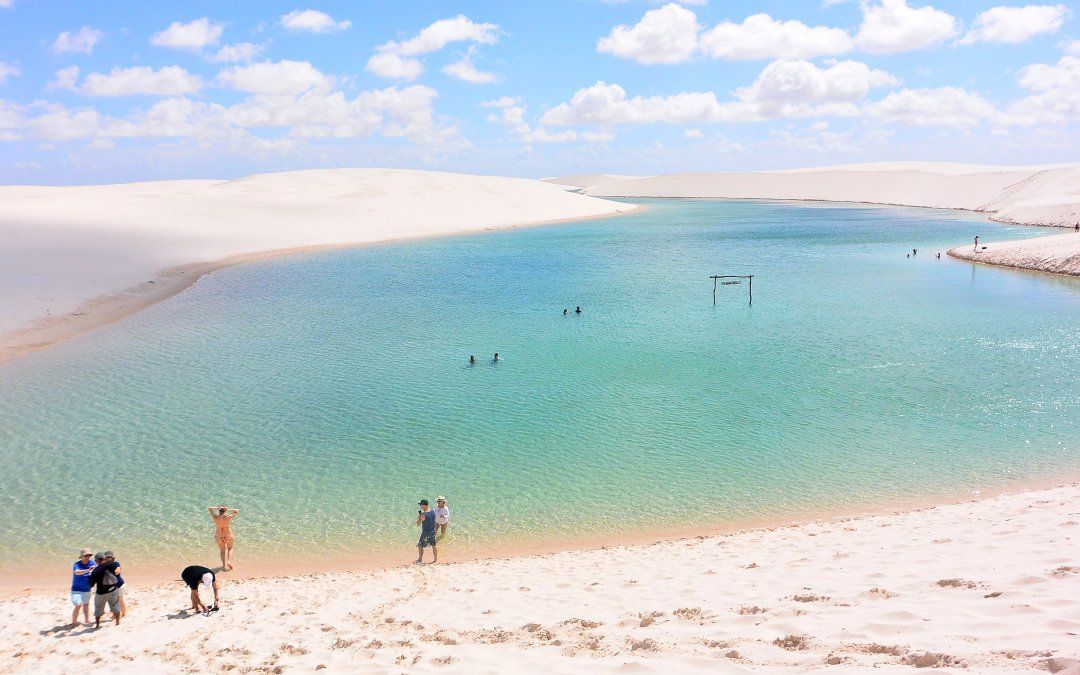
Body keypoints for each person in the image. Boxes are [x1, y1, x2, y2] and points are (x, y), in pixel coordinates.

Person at [88, 551, 122, 628]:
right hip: (113, 590)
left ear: (96, 561)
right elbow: (116, 571)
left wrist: (90, 573)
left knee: (98, 609)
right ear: (105, 558)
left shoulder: (95, 571)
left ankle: (97, 625)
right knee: (115, 606)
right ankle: (117, 622)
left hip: (101, 593)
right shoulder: (112, 564)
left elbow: (91, 585)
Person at [70, 548, 96, 626]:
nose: (87, 557)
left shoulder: (92, 563)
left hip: (87, 589)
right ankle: (74, 622)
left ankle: (87, 621)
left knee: (86, 605)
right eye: (85, 555)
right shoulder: (77, 564)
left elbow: (97, 569)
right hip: (76, 589)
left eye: (89, 555)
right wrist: (88, 570)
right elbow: (77, 572)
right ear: (81, 557)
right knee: (78, 605)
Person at [208, 506, 239, 571]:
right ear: (225, 511)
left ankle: (224, 566)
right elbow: (237, 511)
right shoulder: (228, 517)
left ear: (219, 510)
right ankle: (229, 562)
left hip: (219, 535)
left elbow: (209, 508)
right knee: (230, 548)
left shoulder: (215, 517)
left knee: (222, 550)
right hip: (228, 534)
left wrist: (217, 508)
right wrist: (229, 509)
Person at [416, 499, 438, 565]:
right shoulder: (433, 511)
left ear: (424, 505)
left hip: (426, 532)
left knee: (420, 545)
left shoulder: (424, 514)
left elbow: (418, 524)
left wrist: (419, 519)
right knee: (434, 545)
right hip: (433, 531)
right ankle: (435, 559)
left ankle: (420, 559)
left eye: (421, 505)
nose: (420, 506)